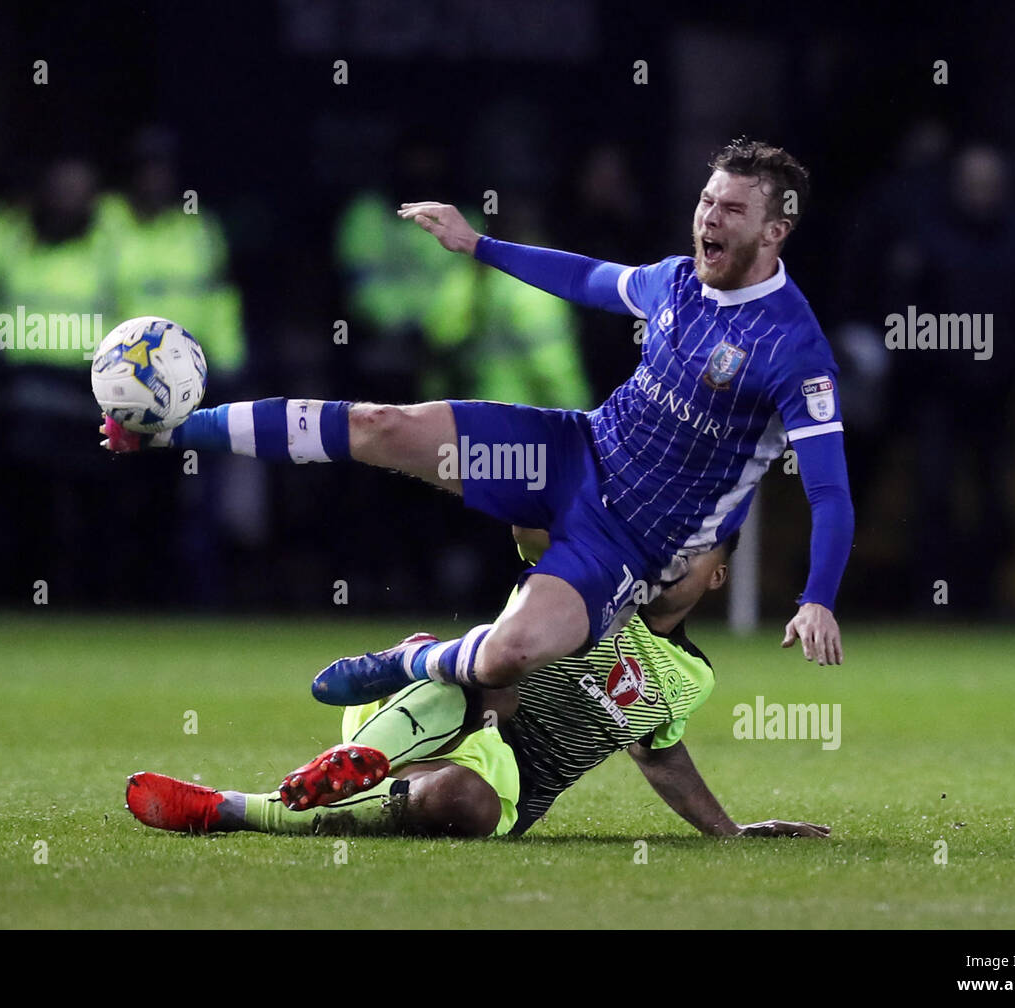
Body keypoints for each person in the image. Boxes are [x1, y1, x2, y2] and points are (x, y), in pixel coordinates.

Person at [102, 138, 854, 711]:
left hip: (628, 541)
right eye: (706, 201)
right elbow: (586, 278)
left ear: (776, 231)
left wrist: (817, 595)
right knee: (380, 423)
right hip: (568, 453)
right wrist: (477, 245)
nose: (708, 219)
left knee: (506, 657)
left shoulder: (795, 349)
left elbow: (829, 492)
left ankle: (417, 659)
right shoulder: (677, 281)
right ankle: (172, 430)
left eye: (730, 210)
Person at [126, 529, 829, 840]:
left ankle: (373, 736)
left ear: (720, 574)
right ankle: (235, 807)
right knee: (493, 686)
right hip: (455, 710)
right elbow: (531, 533)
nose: (680, 546)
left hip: (504, 782)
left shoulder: (691, 677)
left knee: (470, 804)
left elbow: (659, 752)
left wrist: (729, 831)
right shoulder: (593, 585)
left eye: (700, 542)